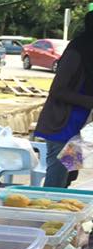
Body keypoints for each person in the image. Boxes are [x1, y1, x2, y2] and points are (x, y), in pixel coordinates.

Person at [34, 11, 93, 188]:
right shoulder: (77, 51)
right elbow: (57, 90)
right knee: (56, 181)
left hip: (81, 130)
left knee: (68, 177)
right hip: (62, 127)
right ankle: (47, 215)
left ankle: (58, 213)